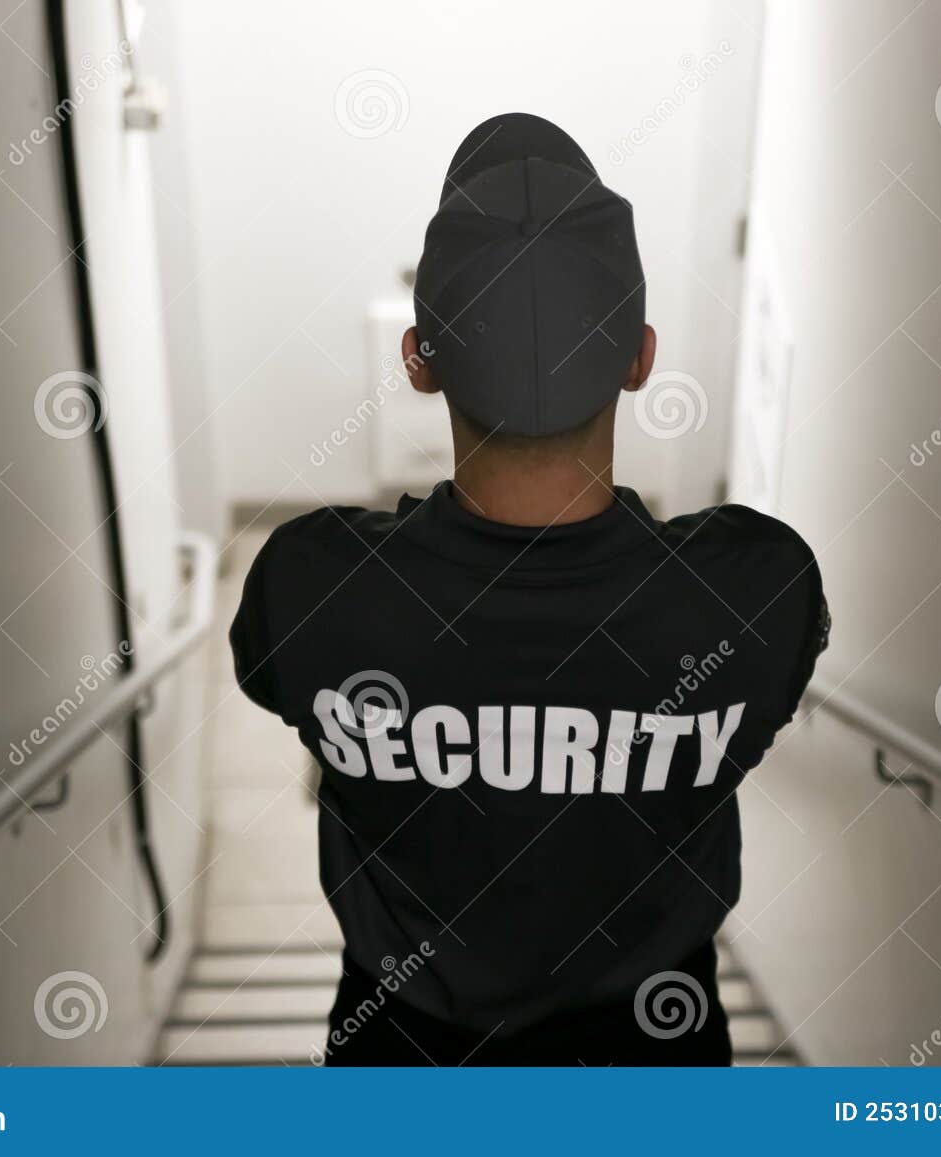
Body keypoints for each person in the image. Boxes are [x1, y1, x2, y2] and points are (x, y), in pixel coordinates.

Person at [230, 112, 829, 1065]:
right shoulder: (755, 590)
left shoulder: (313, 587)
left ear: (419, 360)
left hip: (402, 1052)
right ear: (640, 357)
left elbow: (271, 674)